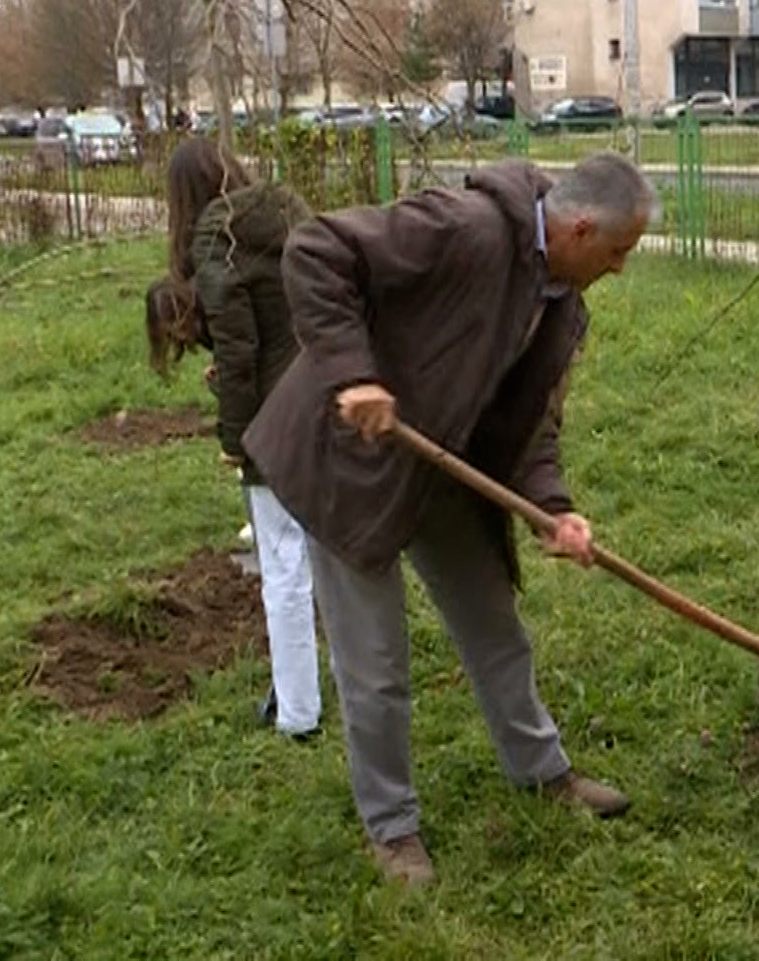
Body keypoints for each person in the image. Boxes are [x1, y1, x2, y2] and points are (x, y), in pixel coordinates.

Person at [241, 152, 658, 888]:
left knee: (495, 627)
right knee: (375, 667)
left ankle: (543, 773)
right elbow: (317, 249)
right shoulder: (465, 228)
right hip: (351, 463)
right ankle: (393, 829)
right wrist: (354, 373)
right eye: (619, 252)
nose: (621, 269)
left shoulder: (562, 305)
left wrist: (553, 508)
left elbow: (533, 425)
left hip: (441, 465)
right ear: (583, 228)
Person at [144, 137, 324, 741]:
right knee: (330, 551)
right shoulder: (282, 213)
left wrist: (235, 439)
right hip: (329, 386)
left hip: (276, 413)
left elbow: (243, 351)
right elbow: (280, 316)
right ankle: (322, 682)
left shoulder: (214, 243)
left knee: (282, 563)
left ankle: (298, 711)